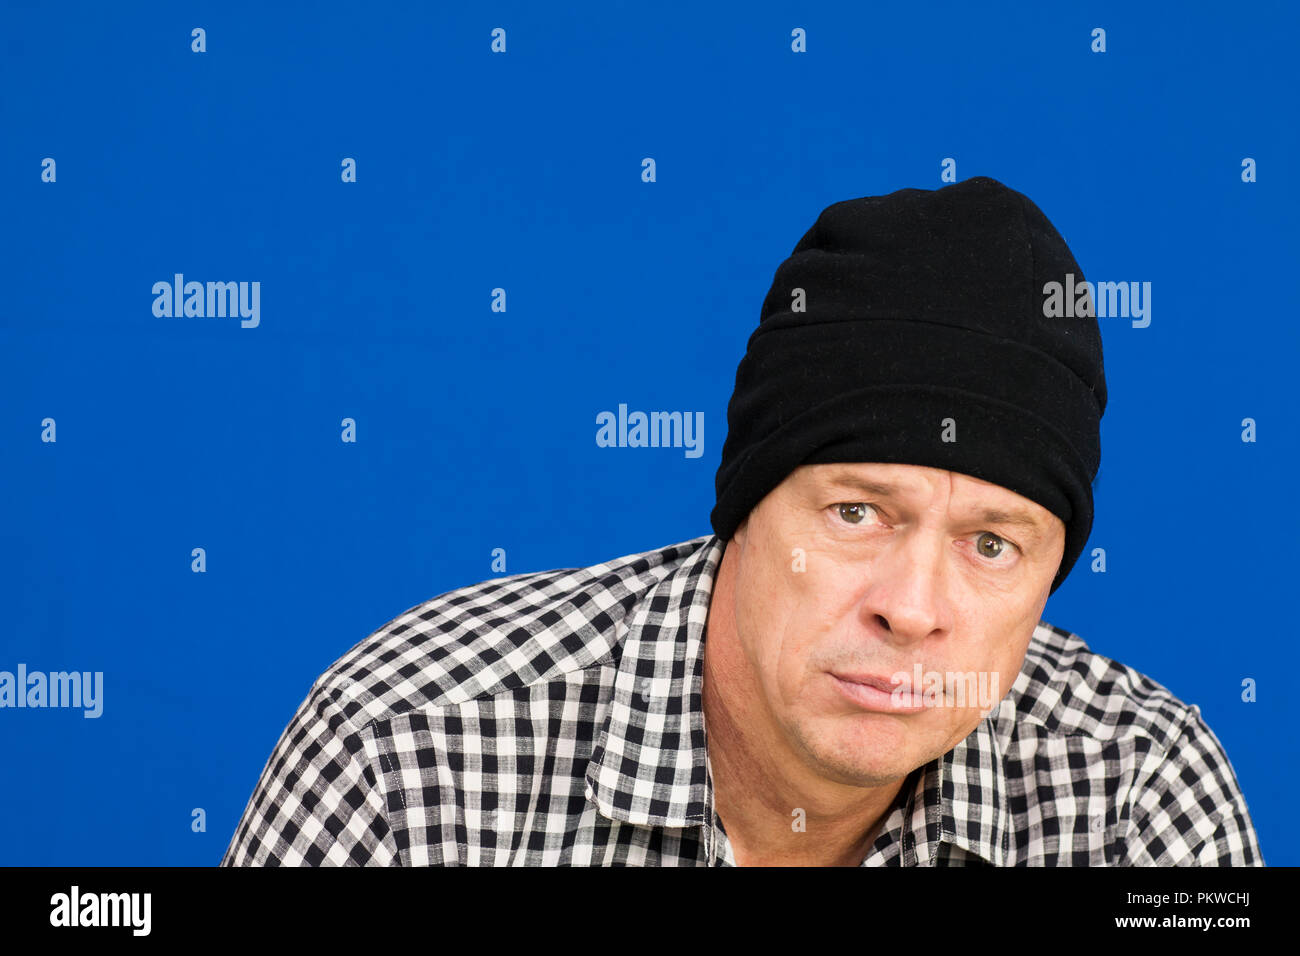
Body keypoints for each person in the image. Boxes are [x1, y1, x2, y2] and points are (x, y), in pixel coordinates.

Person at [220, 176, 1262, 866]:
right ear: (742, 512)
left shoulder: (1134, 793)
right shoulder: (409, 749)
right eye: (857, 511)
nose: (911, 607)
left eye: (990, 544)